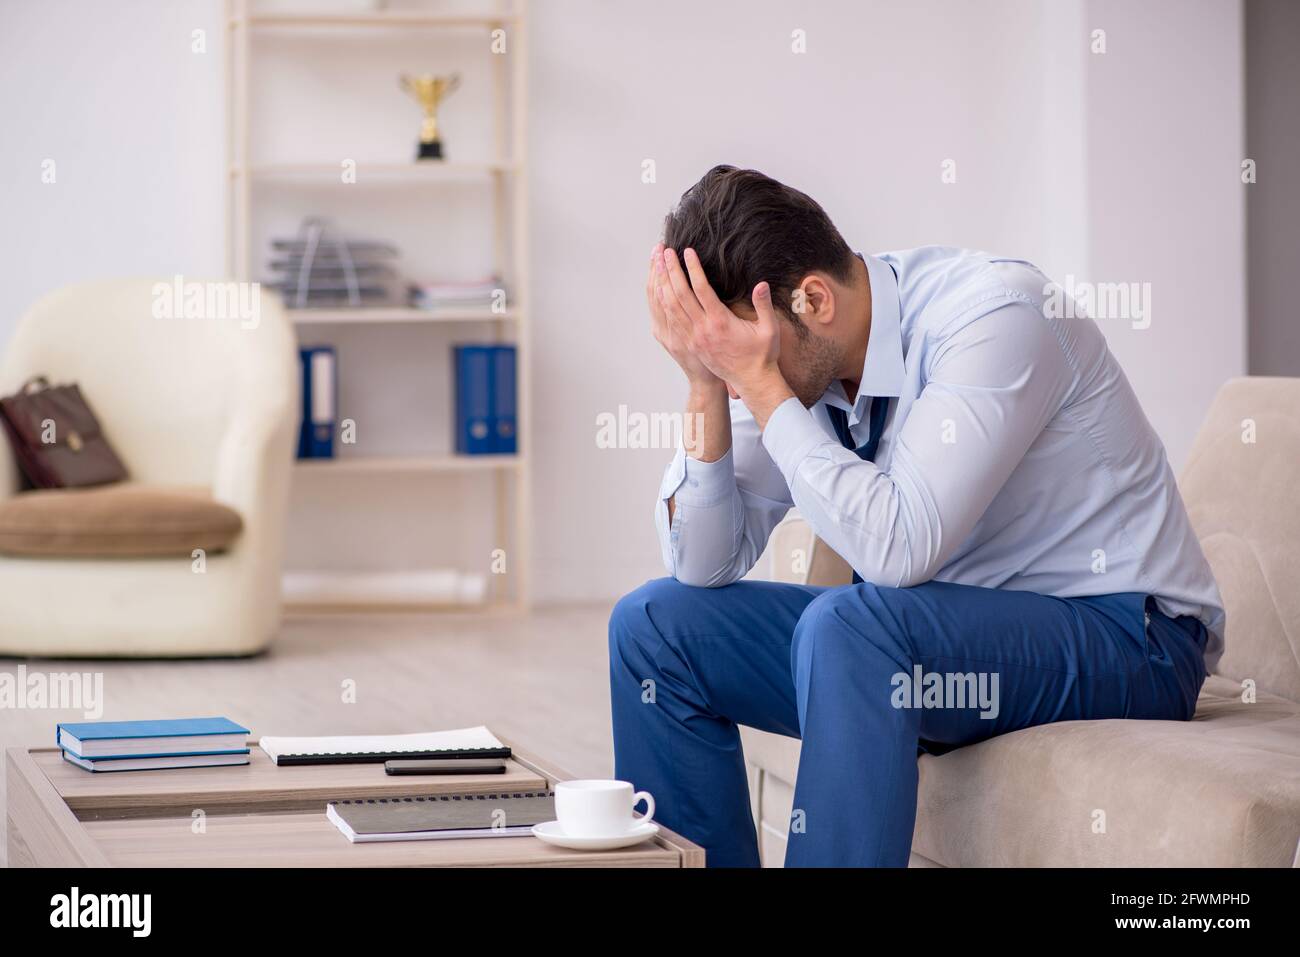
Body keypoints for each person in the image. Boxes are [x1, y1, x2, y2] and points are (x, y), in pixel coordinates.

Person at [608, 165, 1224, 867]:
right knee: (655, 625)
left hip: (1129, 637)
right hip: (943, 638)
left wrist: (760, 384)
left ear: (812, 300)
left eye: (740, 353)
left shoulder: (996, 317)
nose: (740, 374)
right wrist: (705, 387)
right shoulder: (783, 357)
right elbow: (702, 562)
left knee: (851, 625)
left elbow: (901, 549)